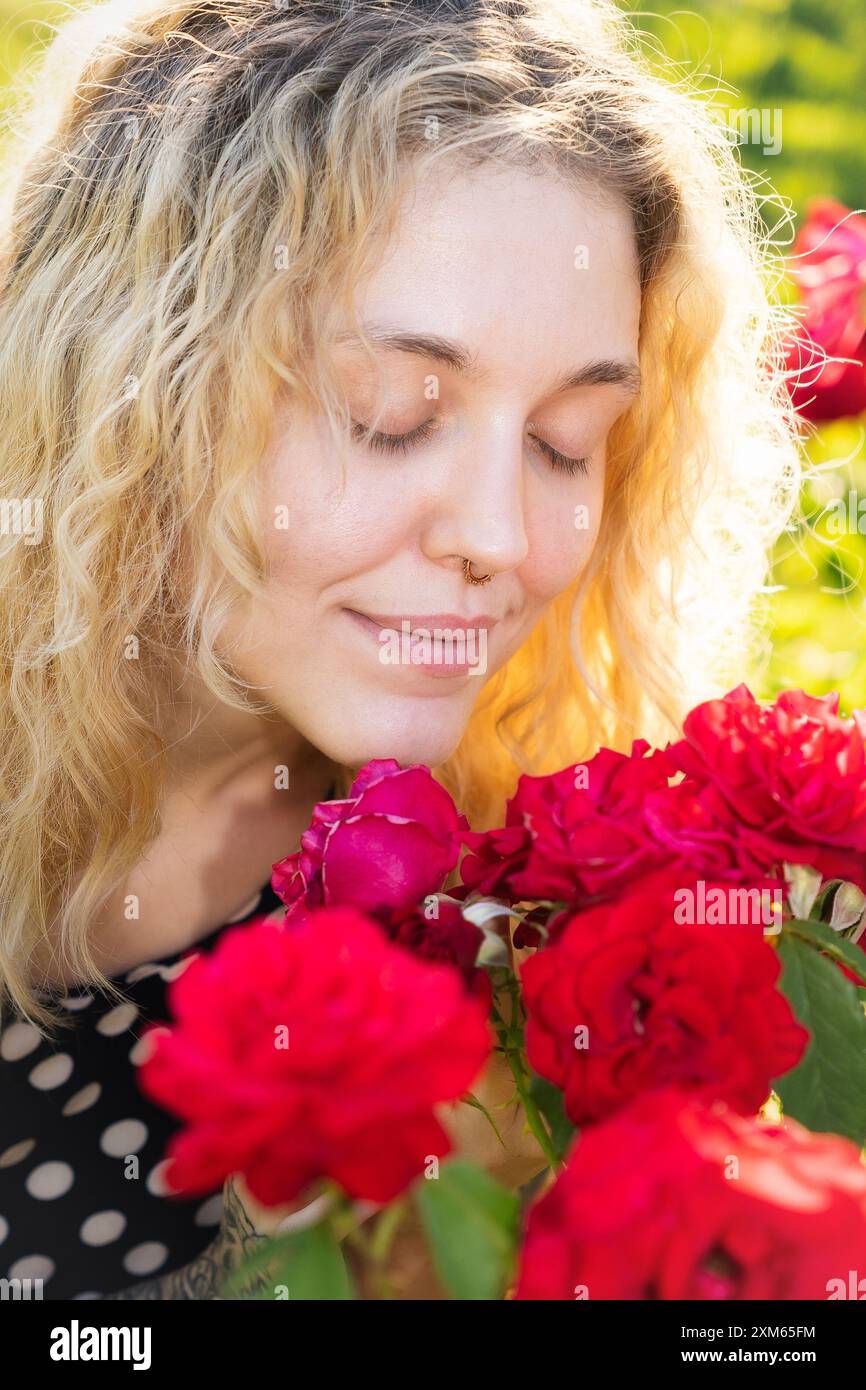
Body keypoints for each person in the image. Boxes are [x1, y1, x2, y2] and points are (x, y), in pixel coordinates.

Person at [0, 0, 799, 1298]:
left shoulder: (528, 981)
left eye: (564, 441)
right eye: (388, 413)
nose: (498, 534)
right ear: (120, 385)